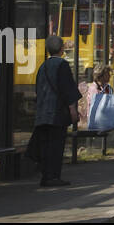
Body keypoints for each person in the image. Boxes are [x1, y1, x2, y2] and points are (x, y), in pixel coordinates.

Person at [34, 35, 81, 187]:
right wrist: (73, 109)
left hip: (42, 112)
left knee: (45, 145)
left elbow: (38, 89)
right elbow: (68, 89)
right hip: (57, 113)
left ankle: (45, 176)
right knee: (56, 145)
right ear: (62, 49)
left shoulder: (43, 66)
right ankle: (54, 176)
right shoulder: (62, 65)